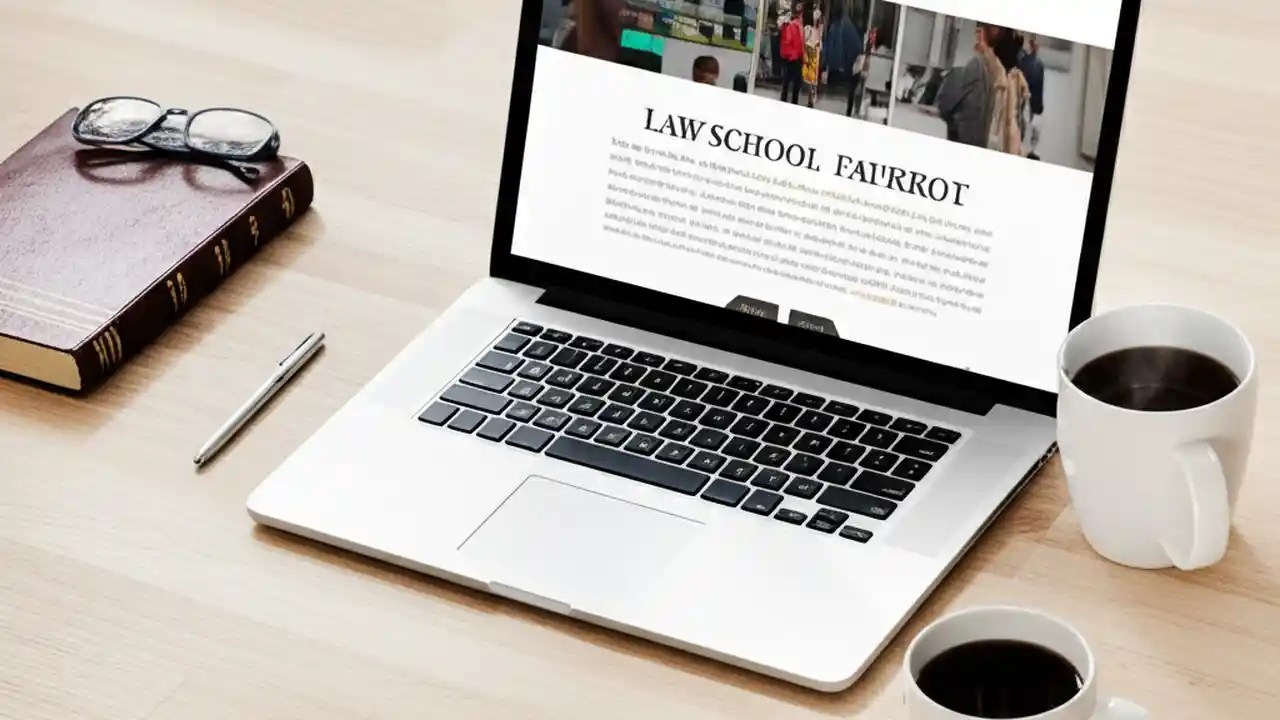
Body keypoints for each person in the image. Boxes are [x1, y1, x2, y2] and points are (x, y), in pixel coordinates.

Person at [822, 3, 862, 116]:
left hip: (837, 70)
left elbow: (829, 48)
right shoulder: (849, 27)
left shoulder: (835, 28)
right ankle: (848, 111)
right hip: (846, 70)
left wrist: (826, 65)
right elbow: (857, 47)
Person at [1018, 34, 1046, 160]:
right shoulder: (1035, 65)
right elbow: (1037, 104)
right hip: (1027, 112)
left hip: (1022, 112)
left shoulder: (1030, 63)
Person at [778, 1, 805, 104]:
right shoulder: (797, 25)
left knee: (787, 81)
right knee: (796, 83)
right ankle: (793, 103)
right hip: (795, 57)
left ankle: (783, 100)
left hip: (788, 56)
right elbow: (798, 42)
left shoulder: (788, 23)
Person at [800, 1, 823, 108]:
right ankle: (811, 98)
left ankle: (811, 98)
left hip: (811, 48)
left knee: (810, 77)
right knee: (812, 78)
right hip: (814, 49)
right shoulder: (817, 23)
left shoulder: (809, 25)